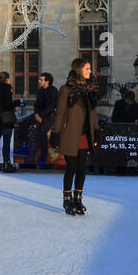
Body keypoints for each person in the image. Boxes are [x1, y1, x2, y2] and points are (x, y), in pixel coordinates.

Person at [51, 57, 101, 215]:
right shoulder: (67, 89)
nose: (90, 71)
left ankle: (78, 198)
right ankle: (67, 199)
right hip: (70, 134)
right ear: (79, 70)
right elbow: (60, 113)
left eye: (89, 69)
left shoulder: (90, 89)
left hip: (86, 134)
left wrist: (96, 132)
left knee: (81, 168)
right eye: (87, 68)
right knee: (71, 167)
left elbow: (93, 114)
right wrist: (56, 134)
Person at [27, 72, 58, 166]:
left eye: (41, 80)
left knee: (42, 132)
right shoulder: (40, 91)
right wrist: (37, 114)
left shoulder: (53, 91)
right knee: (24, 123)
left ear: (47, 81)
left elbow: (51, 106)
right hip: (39, 115)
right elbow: (36, 104)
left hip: (49, 116)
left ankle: (44, 155)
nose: (39, 81)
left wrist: (41, 115)